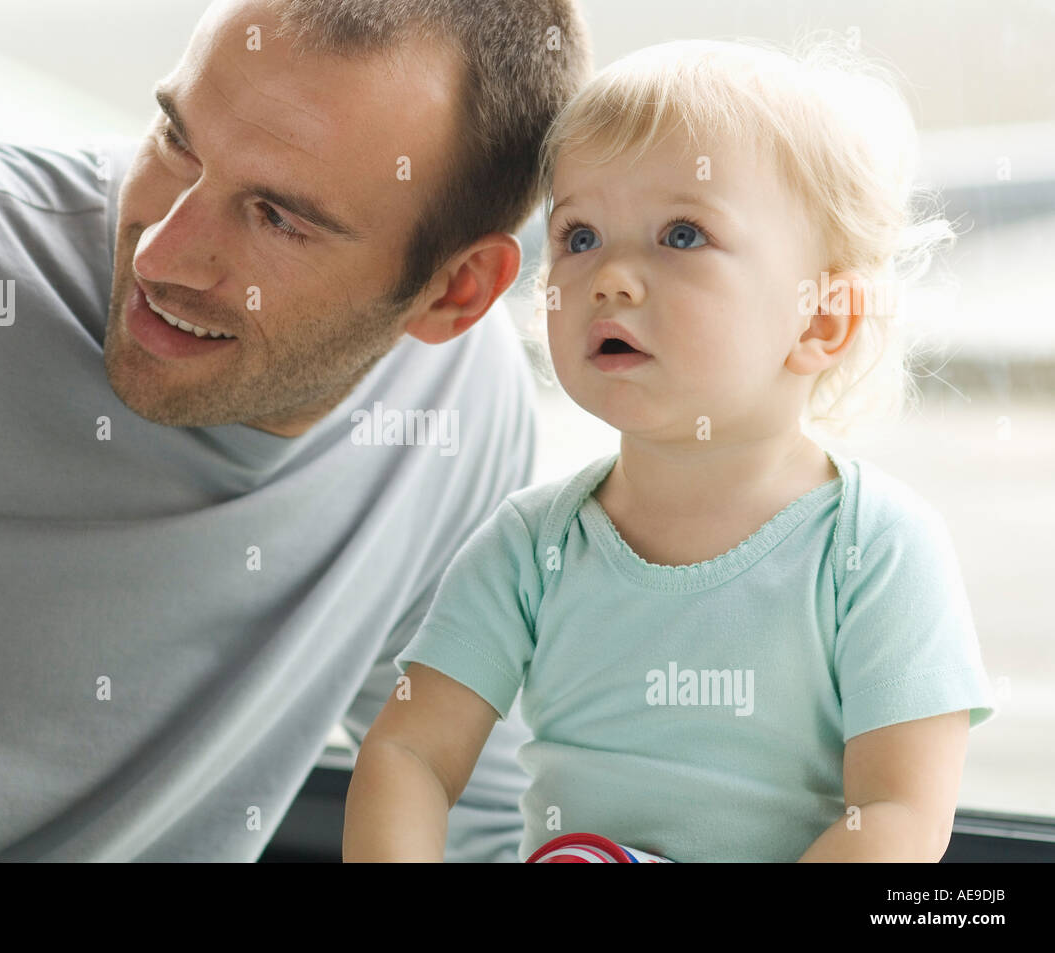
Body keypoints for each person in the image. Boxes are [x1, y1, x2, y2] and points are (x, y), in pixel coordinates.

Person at [0, 0, 590, 860]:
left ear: (454, 293)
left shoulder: (462, 412)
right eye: (177, 139)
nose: (159, 255)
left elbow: (465, 808)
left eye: (278, 217)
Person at [343, 37, 997, 863]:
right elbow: (409, 753)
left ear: (821, 319)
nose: (611, 276)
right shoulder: (528, 547)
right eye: (579, 235)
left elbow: (899, 815)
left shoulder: (877, 550)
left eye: (682, 234)